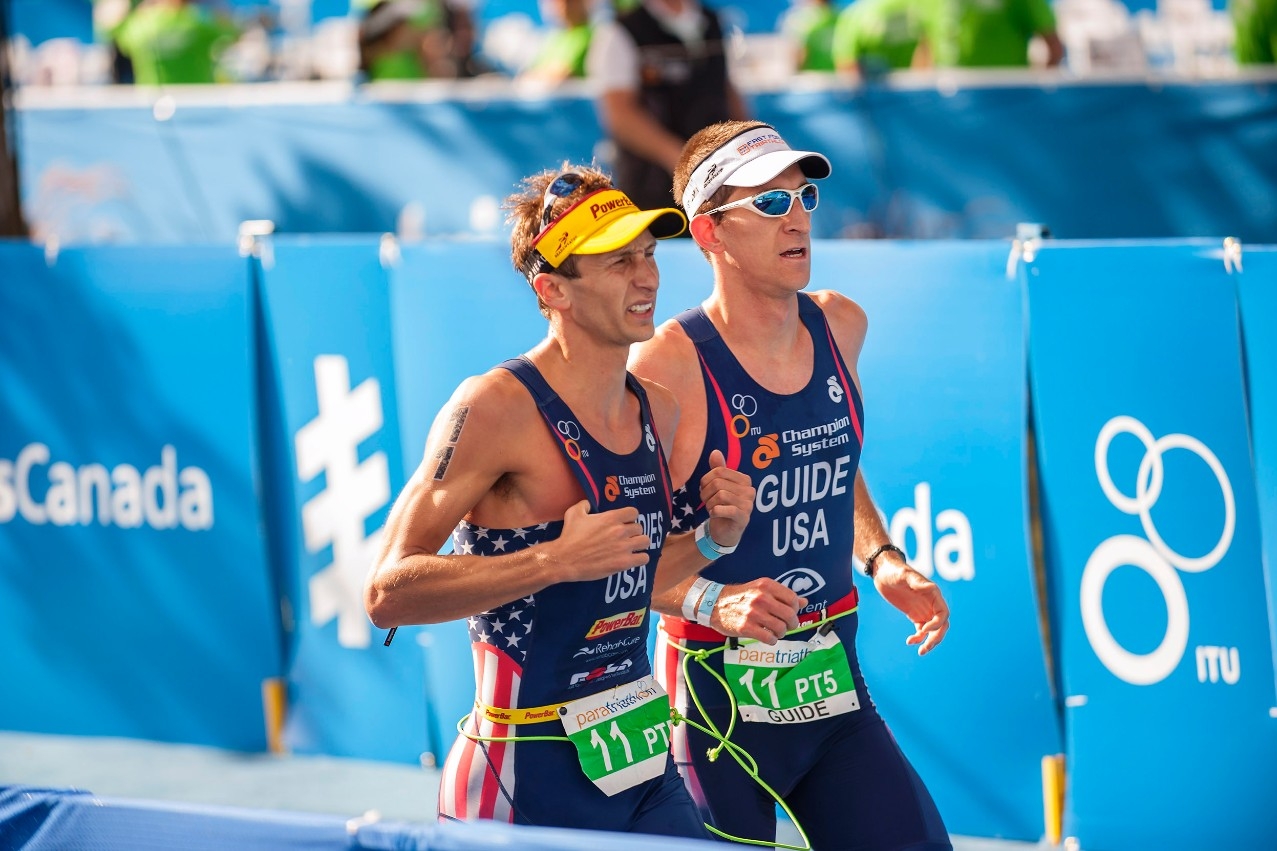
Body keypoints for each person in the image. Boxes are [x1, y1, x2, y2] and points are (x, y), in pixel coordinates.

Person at [364, 164, 757, 833]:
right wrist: (549, 561)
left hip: (639, 761)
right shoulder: (492, 407)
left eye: (647, 254)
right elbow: (387, 593)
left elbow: (629, 576)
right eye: (616, 263)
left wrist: (714, 539)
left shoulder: (656, 410)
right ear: (554, 290)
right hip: (523, 774)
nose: (646, 277)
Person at [628, 120, 953, 850]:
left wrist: (881, 558)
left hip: (829, 678)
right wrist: (716, 597)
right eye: (769, 205)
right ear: (709, 233)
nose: (799, 215)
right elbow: (619, 563)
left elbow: (837, 462)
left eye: (802, 195)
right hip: (714, 701)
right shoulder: (668, 368)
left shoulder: (840, 323)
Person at [586, 0, 751, 213]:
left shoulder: (714, 21)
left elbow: (727, 90)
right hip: (653, 188)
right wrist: (682, 160)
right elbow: (621, 116)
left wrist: (747, 147)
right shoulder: (620, 31)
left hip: (718, 182)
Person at [111, 0, 240, 85]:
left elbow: (111, 28)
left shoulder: (137, 26)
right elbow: (234, 32)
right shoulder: (199, 23)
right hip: (199, 107)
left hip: (152, 110)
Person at [922, 0, 1064, 68]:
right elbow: (925, 48)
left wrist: (1032, 89)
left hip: (1005, 101)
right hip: (946, 102)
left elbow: (1053, 45)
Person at [831, 0, 930, 78]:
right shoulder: (917, 8)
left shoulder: (853, 15)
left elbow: (846, 66)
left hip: (871, 99)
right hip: (912, 98)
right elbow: (926, 49)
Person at [519, 0, 594, 84]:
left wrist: (543, 75)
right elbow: (527, 75)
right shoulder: (553, 39)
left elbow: (563, 74)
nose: (563, 6)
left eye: (569, 1)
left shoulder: (591, 36)